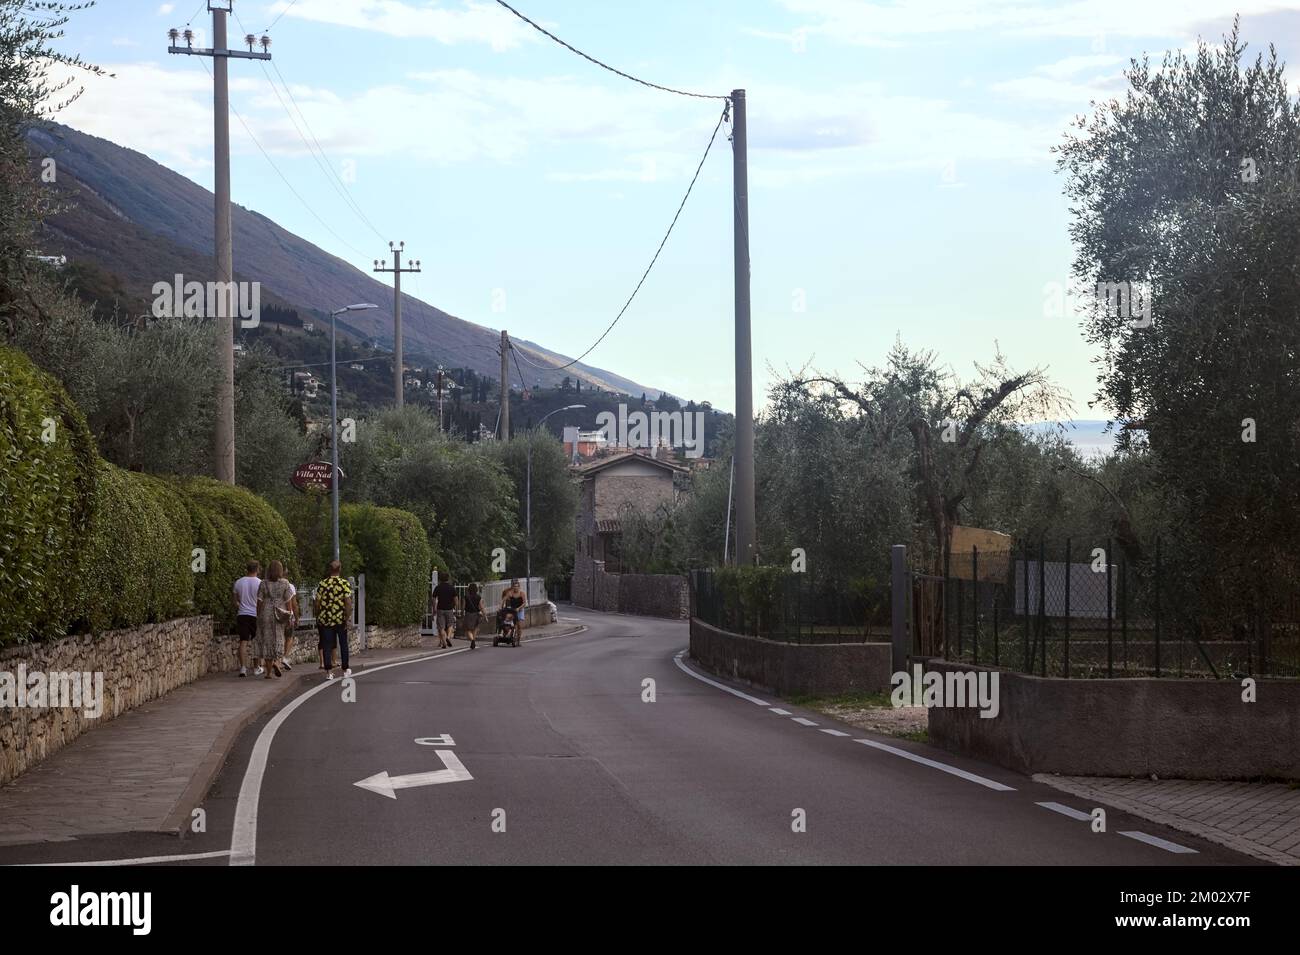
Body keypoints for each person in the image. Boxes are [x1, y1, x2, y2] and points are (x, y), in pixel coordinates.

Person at [314, 560, 353, 681]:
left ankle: (329, 672)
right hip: (340, 619)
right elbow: (348, 603)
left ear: (329, 570)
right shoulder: (344, 583)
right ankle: (345, 669)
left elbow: (317, 603)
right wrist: (347, 617)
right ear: (340, 569)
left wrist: (317, 615)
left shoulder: (322, 584)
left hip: (325, 619)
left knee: (327, 644)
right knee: (343, 643)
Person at [256, 560, 294, 679]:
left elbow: (259, 601)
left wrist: (258, 615)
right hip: (279, 613)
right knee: (279, 638)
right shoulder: (285, 583)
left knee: (267, 640)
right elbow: (288, 601)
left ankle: (268, 673)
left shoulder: (263, 583)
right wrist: (290, 616)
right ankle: (277, 662)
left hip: (266, 613)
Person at [232, 560, 261, 677]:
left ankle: (243, 668)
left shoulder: (238, 582)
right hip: (255, 615)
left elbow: (235, 601)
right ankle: (256, 667)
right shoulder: (260, 583)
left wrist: (241, 606)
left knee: (243, 641)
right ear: (257, 569)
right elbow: (261, 601)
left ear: (247, 569)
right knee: (256, 641)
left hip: (242, 614)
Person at [431, 571, 457, 649]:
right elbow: (456, 600)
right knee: (450, 625)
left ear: (440, 579)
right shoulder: (452, 588)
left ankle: (444, 643)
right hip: (449, 609)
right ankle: (448, 637)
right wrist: (454, 607)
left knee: (441, 627)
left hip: (440, 609)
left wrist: (434, 608)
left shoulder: (438, 588)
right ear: (448, 579)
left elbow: (433, 599)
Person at [280, 573, 300, 671]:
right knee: (289, 637)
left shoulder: (270, 584)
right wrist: (297, 618)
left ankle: (277, 660)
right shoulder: (290, 586)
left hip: (276, 615)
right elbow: (294, 604)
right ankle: (285, 657)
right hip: (288, 615)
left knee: (278, 638)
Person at [501, 579, 527, 644]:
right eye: (514, 586)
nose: (515, 588)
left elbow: (524, 603)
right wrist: (500, 607)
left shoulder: (522, 593)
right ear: (513, 587)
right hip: (513, 610)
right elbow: (504, 599)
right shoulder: (510, 593)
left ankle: (518, 640)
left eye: (517, 586)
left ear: (519, 587)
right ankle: (511, 636)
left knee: (519, 625)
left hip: (520, 610)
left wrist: (519, 608)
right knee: (512, 624)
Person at [462, 583, 483, 650]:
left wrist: (462, 613)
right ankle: (473, 639)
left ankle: (472, 640)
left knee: (467, 629)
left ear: (469, 589)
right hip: (476, 614)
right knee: (475, 628)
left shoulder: (466, 597)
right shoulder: (478, 597)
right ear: (476, 589)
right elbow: (481, 607)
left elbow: (463, 607)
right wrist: (484, 615)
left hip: (468, 614)